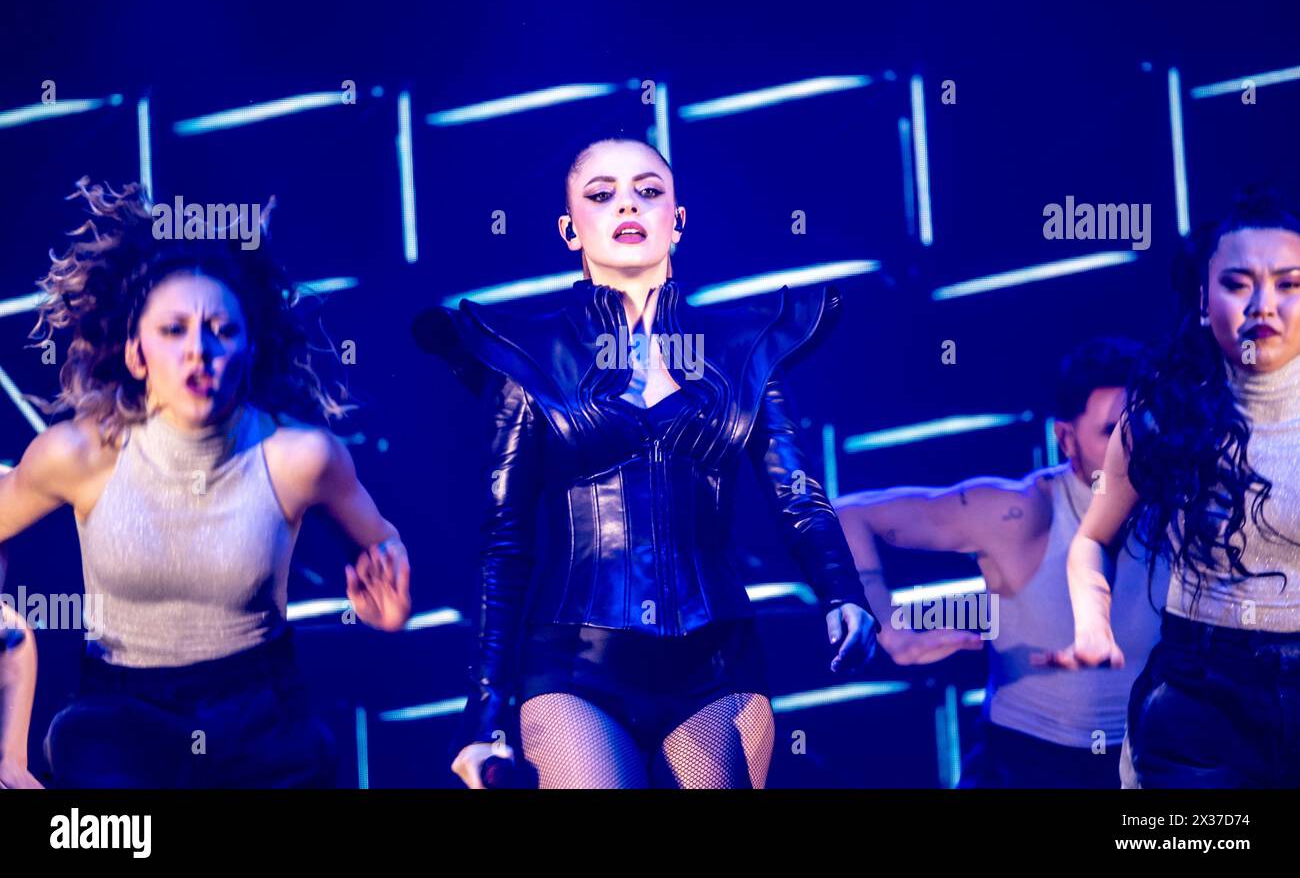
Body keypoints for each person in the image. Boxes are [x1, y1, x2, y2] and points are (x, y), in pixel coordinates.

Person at [414, 137, 880, 789]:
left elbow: (796, 496)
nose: (627, 204)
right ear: (570, 229)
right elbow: (505, 542)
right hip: (575, 663)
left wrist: (843, 594)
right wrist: (485, 708)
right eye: (602, 195)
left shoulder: (746, 347)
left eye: (648, 190)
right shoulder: (529, 353)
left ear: (678, 219)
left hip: (717, 664)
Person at [0, 178, 412, 788]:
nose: (200, 351)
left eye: (221, 330)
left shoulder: (301, 458)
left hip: (261, 717)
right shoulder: (78, 454)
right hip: (119, 718)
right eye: (174, 331)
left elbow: (380, 542)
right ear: (137, 353)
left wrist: (391, 606)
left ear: (248, 350)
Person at [1043, 188, 1300, 787]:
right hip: (1204, 695)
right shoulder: (1164, 416)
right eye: (1239, 283)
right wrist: (1092, 624)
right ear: (1206, 302)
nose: (1264, 304)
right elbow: (1092, 540)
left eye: (1289, 284)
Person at [834, 337, 1167, 787]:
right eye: (1110, 433)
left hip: (1149, 764)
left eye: (1143, 424)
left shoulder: (1184, 503)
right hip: (1024, 767)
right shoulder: (1020, 514)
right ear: (1066, 438)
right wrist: (885, 625)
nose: (1133, 446)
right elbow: (848, 515)